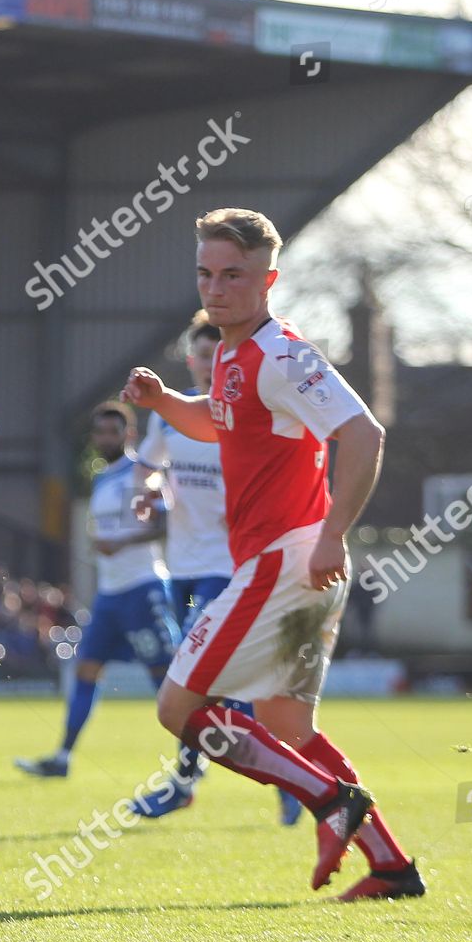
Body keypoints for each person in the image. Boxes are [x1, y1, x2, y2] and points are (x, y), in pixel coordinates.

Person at [122, 207, 422, 900]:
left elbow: (365, 434)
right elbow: (220, 421)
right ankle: (391, 866)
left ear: (269, 279)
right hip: (297, 563)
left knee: (177, 707)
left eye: (234, 274)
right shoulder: (232, 352)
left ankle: (328, 799)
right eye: (206, 273)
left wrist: (332, 531)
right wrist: (166, 400)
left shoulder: (283, 354)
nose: (216, 287)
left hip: (288, 561)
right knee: (288, 723)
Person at [126, 314, 301, 825]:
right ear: (193, 360)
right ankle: (279, 775)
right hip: (179, 567)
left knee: (196, 678)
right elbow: (147, 467)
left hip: (230, 569)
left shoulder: (244, 418)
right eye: (202, 357)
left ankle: (201, 779)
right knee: (208, 685)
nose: (209, 365)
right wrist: (147, 494)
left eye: (216, 356)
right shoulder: (171, 415)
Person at [15, 403, 178, 779]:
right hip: (110, 594)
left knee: (164, 678)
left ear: (129, 435)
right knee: (85, 670)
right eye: (100, 432)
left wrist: (119, 544)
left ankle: (190, 762)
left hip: (143, 587)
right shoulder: (102, 479)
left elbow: (164, 524)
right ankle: (63, 757)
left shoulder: (142, 474)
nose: (105, 438)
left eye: (113, 432)